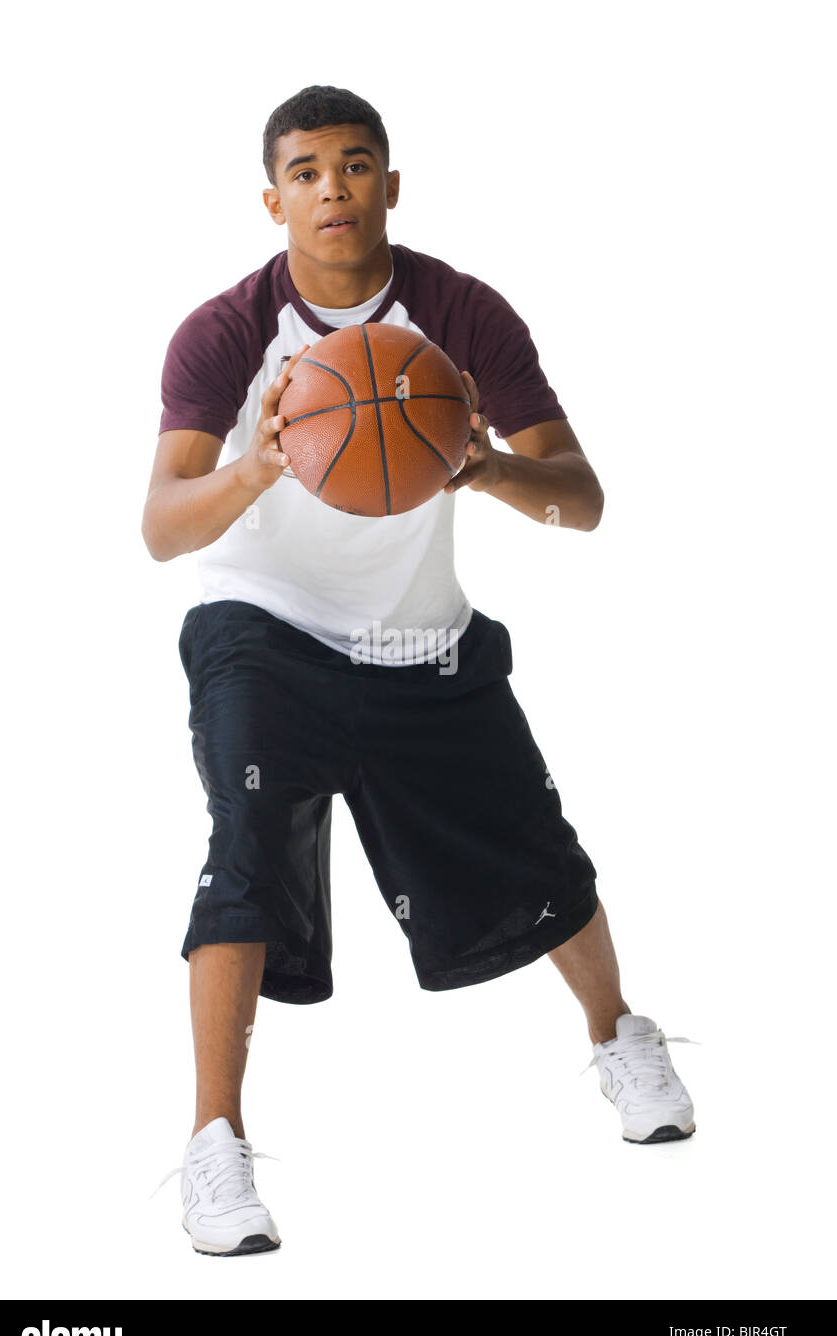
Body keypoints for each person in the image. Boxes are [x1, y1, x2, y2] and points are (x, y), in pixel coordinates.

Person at [144, 85, 697, 1258]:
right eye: (304, 171)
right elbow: (161, 526)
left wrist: (481, 467)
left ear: (390, 184)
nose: (331, 188)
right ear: (272, 198)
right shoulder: (227, 329)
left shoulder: (460, 316)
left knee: (538, 850)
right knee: (240, 855)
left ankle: (617, 1035)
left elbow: (582, 501)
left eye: (354, 166)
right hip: (264, 620)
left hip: (418, 632)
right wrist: (262, 463)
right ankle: (213, 1146)